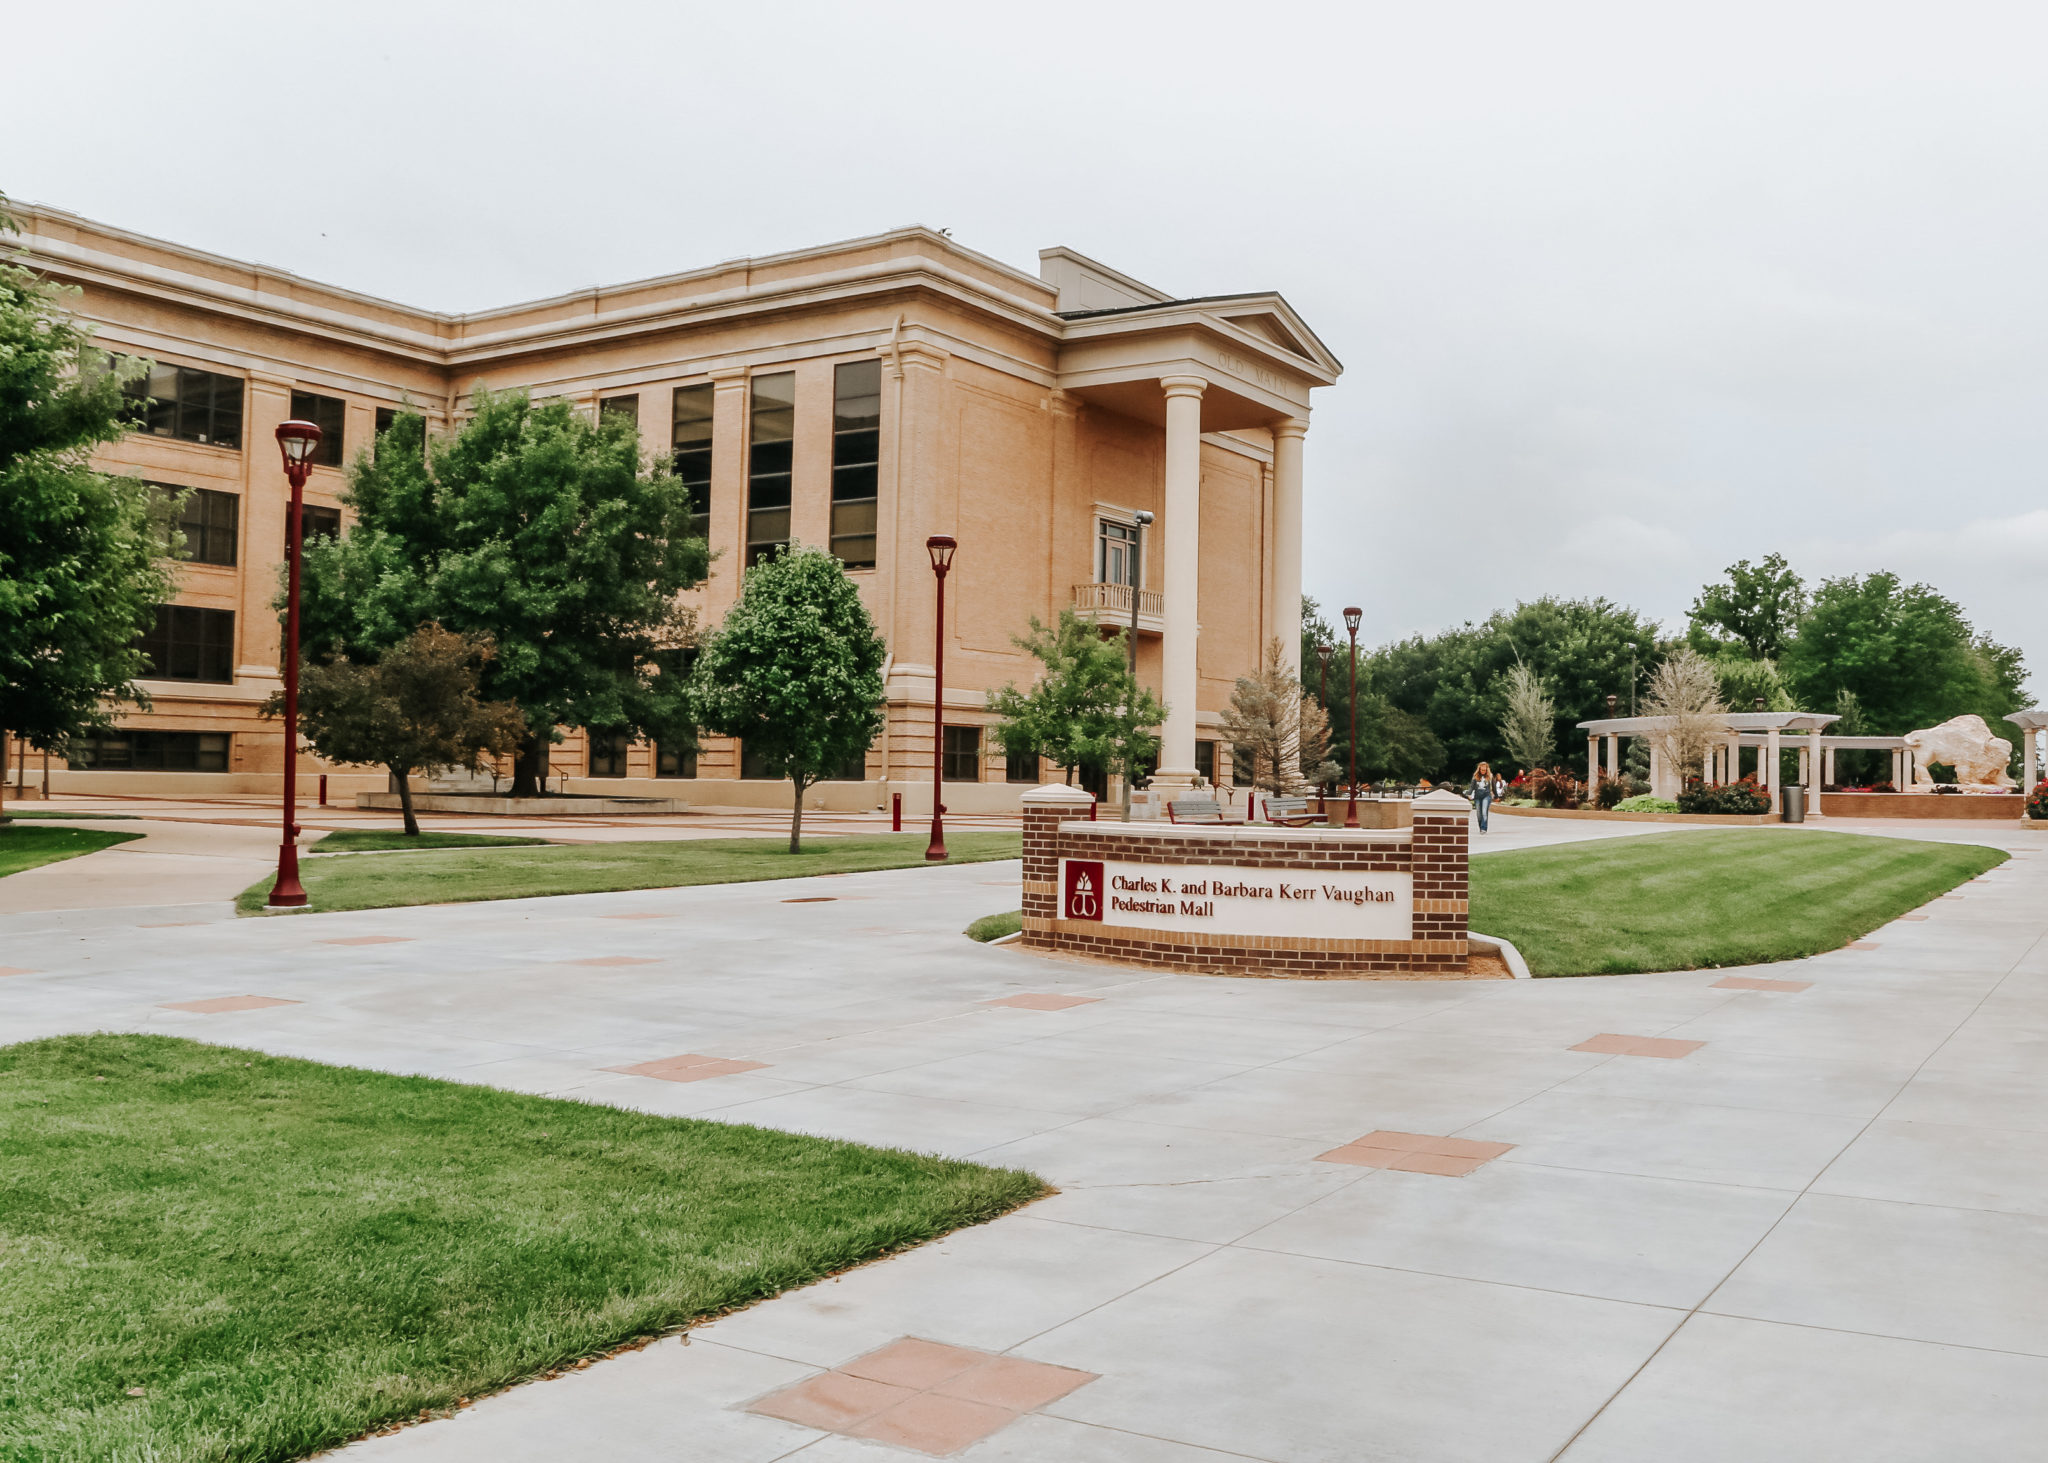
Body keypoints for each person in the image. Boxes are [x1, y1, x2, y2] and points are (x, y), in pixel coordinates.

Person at [1471, 760, 1494, 833]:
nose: (1483, 771)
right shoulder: (1475, 776)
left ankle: (1484, 828)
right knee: (1478, 814)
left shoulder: (1490, 776)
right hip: (1477, 797)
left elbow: (1493, 787)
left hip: (1486, 796)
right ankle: (1481, 826)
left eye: (1484, 770)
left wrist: (1496, 796)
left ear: (1487, 770)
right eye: (1482, 770)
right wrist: (1468, 794)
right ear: (1479, 769)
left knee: (1484, 812)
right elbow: (1472, 787)